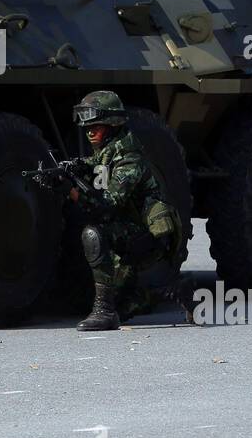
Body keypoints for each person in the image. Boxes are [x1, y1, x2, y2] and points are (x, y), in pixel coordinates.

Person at [68, 90, 188, 331]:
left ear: (112, 126)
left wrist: (72, 191)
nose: (90, 132)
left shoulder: (129, 160)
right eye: (88, 127)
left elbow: (106, 207)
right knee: (128, 303)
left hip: (148, 242)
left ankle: (106, 311)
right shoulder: (108, 153)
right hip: (131, 234)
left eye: (97, 127)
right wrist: (72, 168)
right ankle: (165, 291)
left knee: (94, 234)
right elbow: (94, 165)